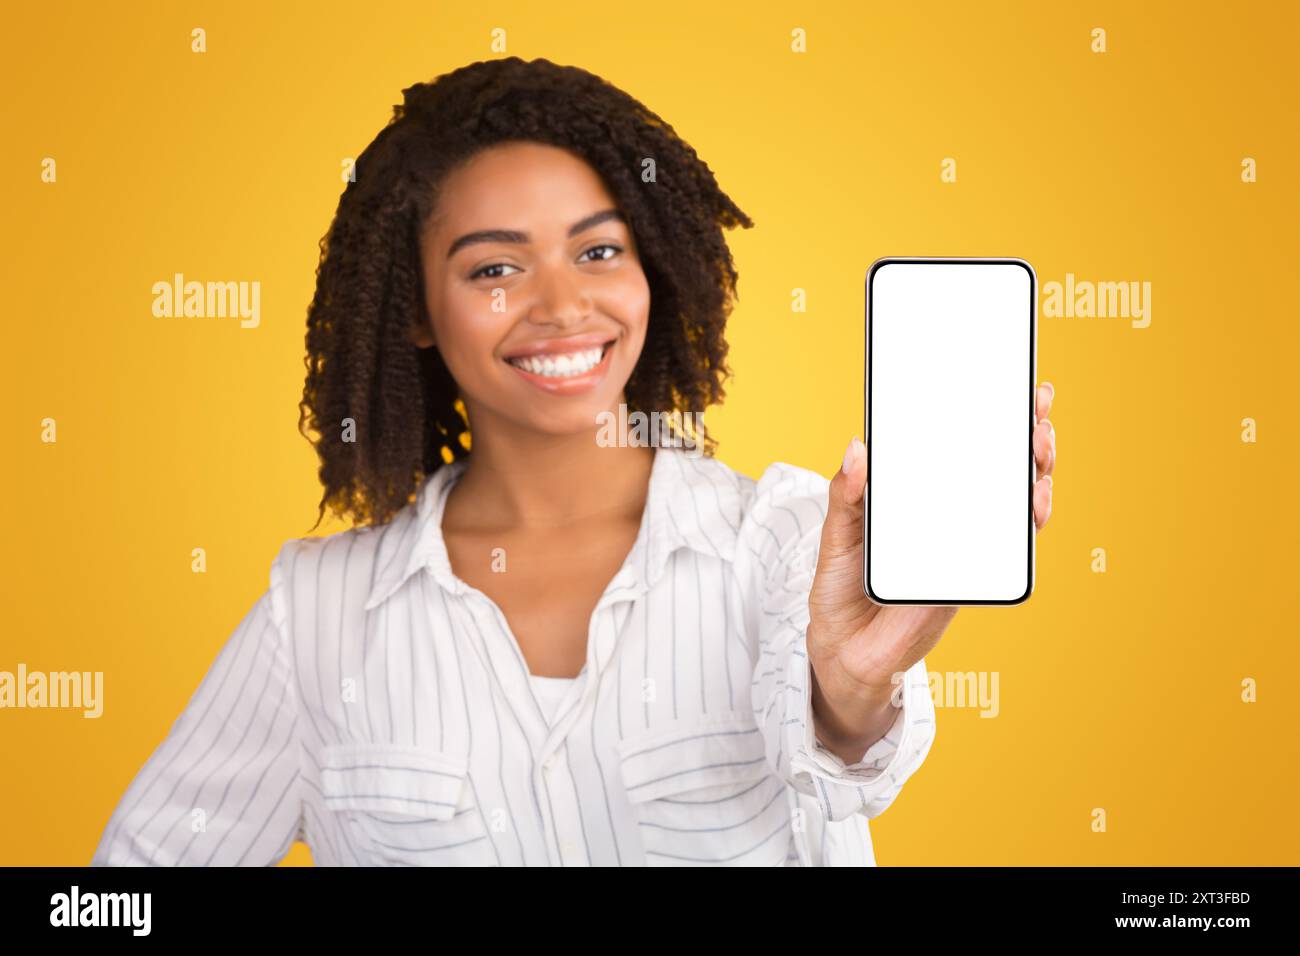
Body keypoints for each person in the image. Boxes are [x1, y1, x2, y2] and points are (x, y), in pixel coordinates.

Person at [91, 56, 1056, 867]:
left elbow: (847, 757)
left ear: (651, 270)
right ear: (417, 310)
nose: (561, 306)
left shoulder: (786, 545)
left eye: (597, 253)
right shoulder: (316, 617)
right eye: (494, 268)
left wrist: (852, 693)